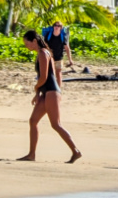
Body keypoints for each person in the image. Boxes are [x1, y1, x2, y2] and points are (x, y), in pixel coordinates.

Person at [18, 29, 81, 164]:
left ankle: (75, 151)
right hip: (46, 92)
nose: (26, 46)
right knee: (33, 121)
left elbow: (44, 77)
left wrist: (36, 88)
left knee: (56, 124)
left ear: (34, 41)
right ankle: (31, 154)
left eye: (27, 43)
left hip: (52, 92)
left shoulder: (42, 53)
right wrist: (38, 93)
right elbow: (43, 79)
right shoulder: (42, 53)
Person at [42, 22, 74, 87]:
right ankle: (49, 88)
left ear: (61, 28)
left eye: (58, 26)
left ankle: (58, 89)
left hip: (59, 57)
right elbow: (44, 46)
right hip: (50, 58)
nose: (56, 27)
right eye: (55, 25)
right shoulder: (49, 35)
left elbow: (67, 48)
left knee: (58, 73)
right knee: (49, 73)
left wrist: (70, 60)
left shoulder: (62, 37)